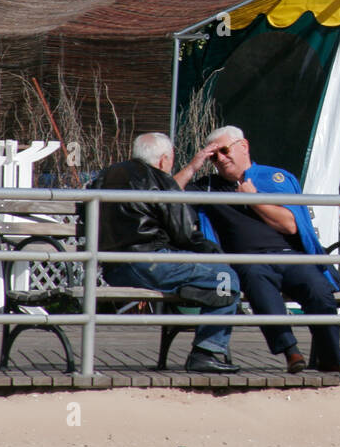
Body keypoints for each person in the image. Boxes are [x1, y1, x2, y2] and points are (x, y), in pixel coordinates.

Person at [176, 125, 340, 373]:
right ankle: (291, 352)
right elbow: (165, 196)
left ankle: (331, 357)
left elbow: (289, 225)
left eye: (224, 150)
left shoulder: (273, 178)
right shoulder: (208, 186)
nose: (220, 159)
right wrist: (193, 165)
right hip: (246, 261)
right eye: (214, 156)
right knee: (259, 285)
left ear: (243, 146)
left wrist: (252, 200)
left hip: (289, 256)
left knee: (318, 289)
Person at [88, 132, 241, 374]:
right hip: (148, 264)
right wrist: (217, 255)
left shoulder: (106, 176)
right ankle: (206, 352)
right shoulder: (160, 180)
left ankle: (193, 291)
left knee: (210, 279)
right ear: (163, 160)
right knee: (226, 278)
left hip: (113, 268)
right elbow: (185, 235)